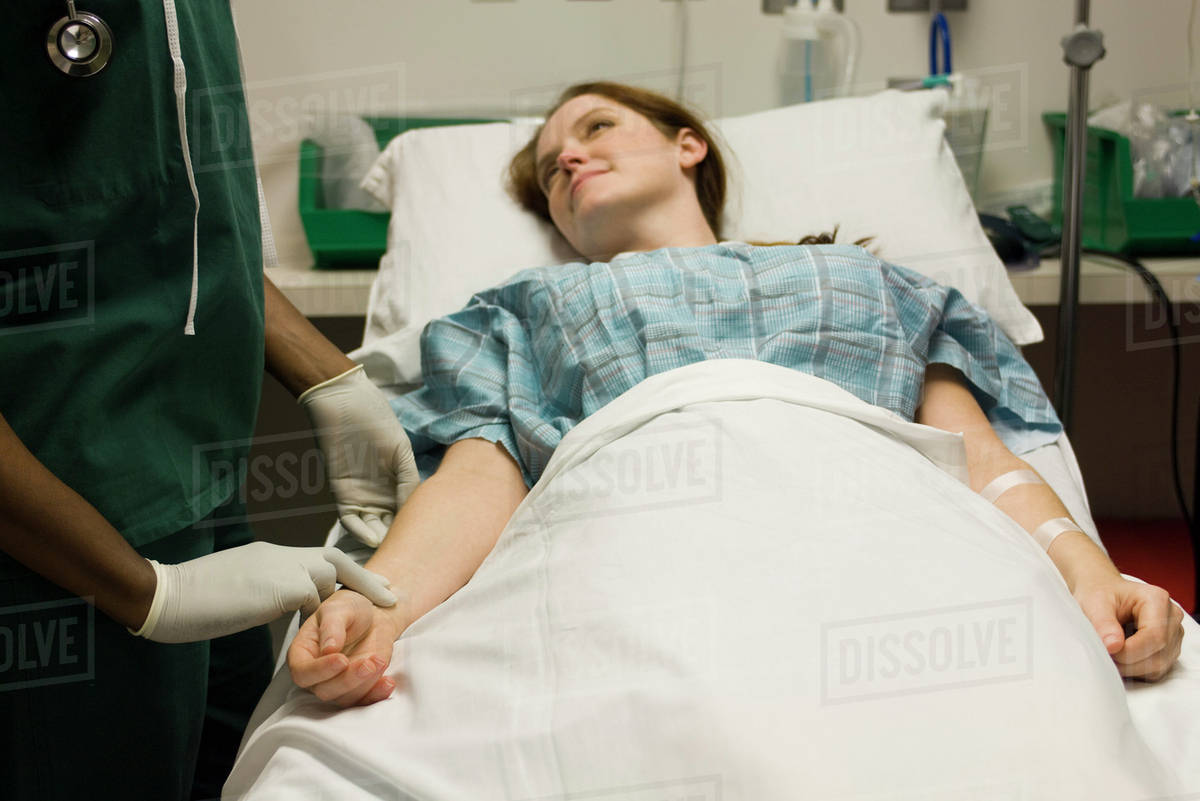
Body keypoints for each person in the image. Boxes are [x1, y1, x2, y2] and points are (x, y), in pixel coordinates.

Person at [288, 81, 1185, 708]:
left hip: (880, 529)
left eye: (596, 128)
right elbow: (479, 476)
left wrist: (1092, 570)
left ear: (689, 145)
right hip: (629, 540)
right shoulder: (525, 308)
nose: (569, 157)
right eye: (551, 170)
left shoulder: (866, 278)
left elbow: (978, 456)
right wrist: (385, 606)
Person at [0, 3, 417, 799]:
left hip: (196, 479)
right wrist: (150, 593)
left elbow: (180, 218)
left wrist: (328, 375)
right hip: (53, 522)